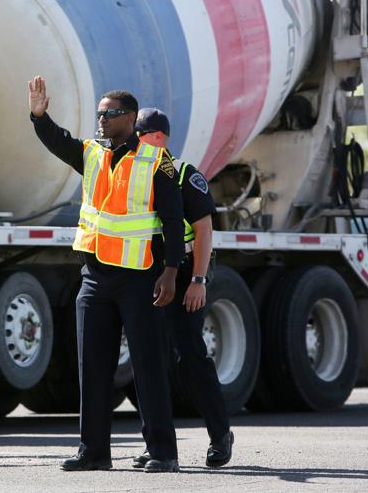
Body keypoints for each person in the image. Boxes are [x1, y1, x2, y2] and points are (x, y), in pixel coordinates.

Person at [28, 76, 185, 473]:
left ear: (130, 118)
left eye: (110, 114)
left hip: (139, 278)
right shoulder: (92, 154)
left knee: (148, 367)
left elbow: (172, 220)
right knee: (93, 368)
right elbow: (58, 141)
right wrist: (39, 115)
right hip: (95, 279)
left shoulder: (157, 162)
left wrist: (170, 273)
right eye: (99, 114)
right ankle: (94, 452)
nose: (102, 120)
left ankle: (163, 451)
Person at [132, 108, 234, 468]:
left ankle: (220, 434)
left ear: (156, 137)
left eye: (137, 135)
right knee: (148, 360)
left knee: (191, 356)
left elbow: (204, 230)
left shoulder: (183, 175)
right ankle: (155, 443)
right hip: (147, 273)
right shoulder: (135, 174)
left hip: (187, 270)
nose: (132, 143)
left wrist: (199, 280)